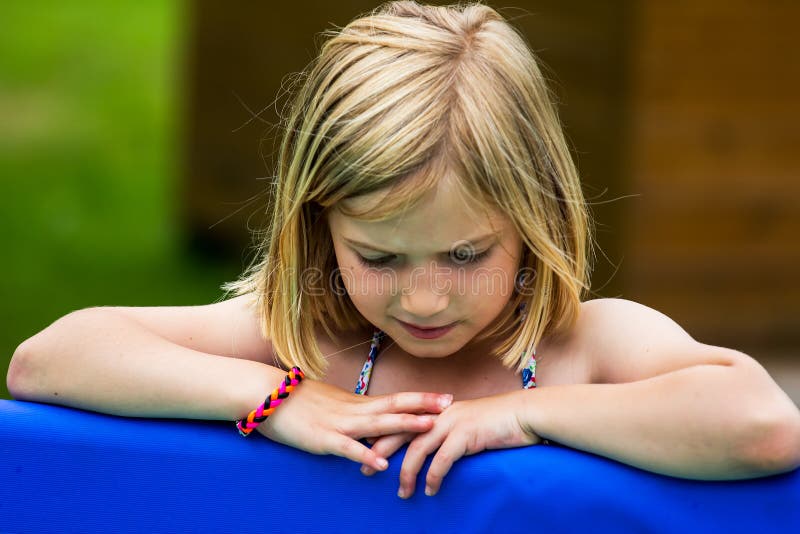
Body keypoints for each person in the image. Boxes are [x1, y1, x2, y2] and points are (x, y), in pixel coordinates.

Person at [7, 1, 800, 500]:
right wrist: (277, 398)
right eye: (380, 258)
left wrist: (523, 415)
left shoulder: (586, 348)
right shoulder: (307, 343)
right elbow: (48, 360)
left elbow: (761, 426)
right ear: (320, 229)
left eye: (464, 256)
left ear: (536, 218)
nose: (423, 299)